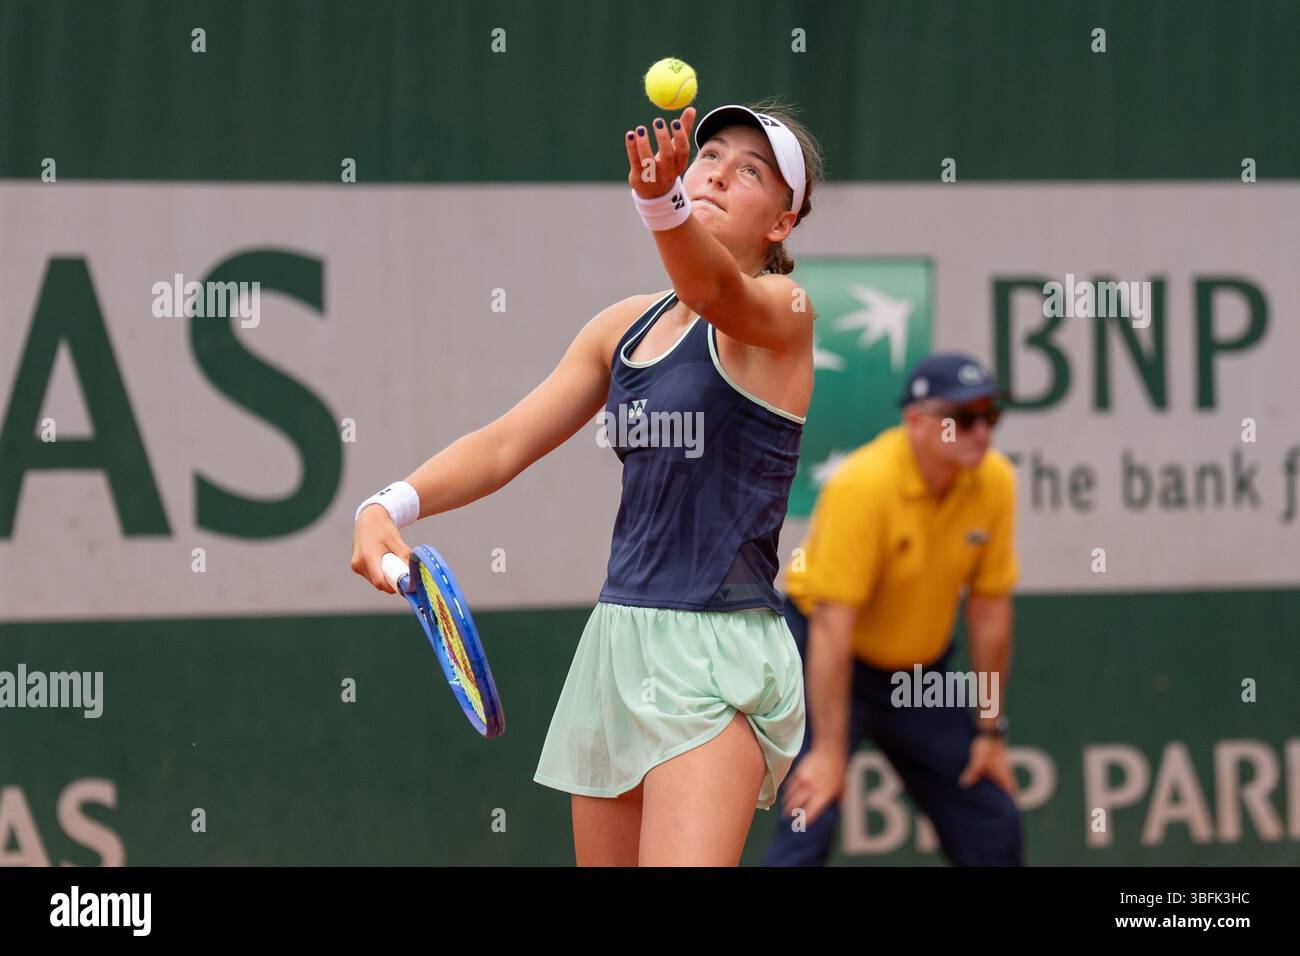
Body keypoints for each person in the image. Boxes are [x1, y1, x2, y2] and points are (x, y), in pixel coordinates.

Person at [351, 98, 825, 865]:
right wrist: (387, 504)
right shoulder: (622, 328)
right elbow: (505, 444)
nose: (717, 174)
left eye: (751, 172)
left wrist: (660, 202)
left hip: (717, 655)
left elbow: (714, 294)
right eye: (710, 157)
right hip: (616, 643)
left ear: (782, 223)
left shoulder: (786, 312)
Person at [763, 353, 1023, 866]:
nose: (981, 433)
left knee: (991, 818)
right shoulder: (863, 485)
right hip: (828, 656)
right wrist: (831, 752)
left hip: (920, 676)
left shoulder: (995, 481)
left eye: (989, 417)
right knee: (809, 813)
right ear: (917, 423)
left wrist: (991, 732)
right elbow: (834, 625)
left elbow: (990, 612)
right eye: (963, 419)